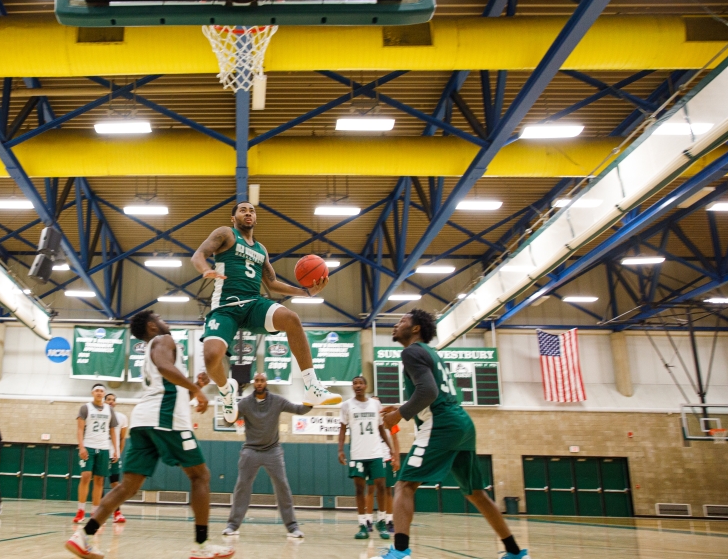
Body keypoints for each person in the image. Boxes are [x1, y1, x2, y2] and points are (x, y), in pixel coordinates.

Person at [65, 310, 233, 559]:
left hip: (144, 420)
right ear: (152, 326)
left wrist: (196, 387)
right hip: (164, 419)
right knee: (200, 476)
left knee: (128, 486)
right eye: (159, 318)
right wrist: (196, 390)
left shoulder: (152, 349)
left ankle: (84, 536)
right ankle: (201, 545)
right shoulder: (164, 340)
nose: (165, 321)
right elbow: (165, 369)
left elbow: (170, 387)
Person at [372, 310, 529, 559]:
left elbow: (428, 393)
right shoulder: (432, 353)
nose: (396, 324)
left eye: (402, 321)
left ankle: (400, 553)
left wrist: (399, 414)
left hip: (441, 424)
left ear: (416, 328)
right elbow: (435, 393)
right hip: (461, 423)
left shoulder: (411, 352)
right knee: (475, 492)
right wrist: (402, 406)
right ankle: (515, 553)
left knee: (404, 484)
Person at [191, 201, 340, 424]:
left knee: (291, 318)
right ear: (233, 218)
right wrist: (206, 270)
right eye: (243, 210)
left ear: (255, 218)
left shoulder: (260, 250)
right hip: (225, 307)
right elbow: (198, 255)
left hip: (253, 304)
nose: (248, 213)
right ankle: (226, 391)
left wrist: (306, 292)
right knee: (211, 356)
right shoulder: (226, 234)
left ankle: (312, 386)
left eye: (251, 210)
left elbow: (272, 283)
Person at [222, 372, 311, 539]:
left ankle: (292, 527)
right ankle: (232, 525)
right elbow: (228, 422)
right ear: (253, 383)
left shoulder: (277, 401)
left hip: (272, 450)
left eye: (262, 380)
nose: (259, 383)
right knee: (242, 486)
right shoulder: (245, 403)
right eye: (256, 380)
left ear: (266, 382)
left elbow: (299, 409)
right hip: (251, 450)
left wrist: (311, 401)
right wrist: (227, 406)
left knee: (282, 485)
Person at [338, 376, 397, 540]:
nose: (358, 385)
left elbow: (381, 428)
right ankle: (363, 525)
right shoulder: (346, 405)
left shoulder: (375, 404)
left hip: (375, 453)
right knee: (359, 489)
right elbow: (342, 429)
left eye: (361, 383)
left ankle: (382, 522)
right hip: (357, 454)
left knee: (381, 486)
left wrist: (391, 449)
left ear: (366, 386)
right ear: (352, 387)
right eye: (355, 383)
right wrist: (340, 449)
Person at [73, 384, 117, 523]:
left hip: (104, 447)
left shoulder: (109, 410)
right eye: (97, 390)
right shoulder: (85, 408)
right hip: (89, 446)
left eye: (101, 391)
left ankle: (95, 512)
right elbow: (80, 429)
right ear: (92, 393)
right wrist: (81, 447)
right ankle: (80, 511)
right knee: (86, 476)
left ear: (104, 394)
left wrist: (115, 450)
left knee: (99, 480)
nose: (99, 393)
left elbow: (112, 431)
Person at [105, 392, 129, 524]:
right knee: (98, 482)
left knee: (115, 484)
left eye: (113, 400)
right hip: (101, 452)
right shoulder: (100, 416)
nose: (111, 401)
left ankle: (117, 512)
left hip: (114, 455)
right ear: (104, 401)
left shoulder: (122, 417)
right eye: (108, 399)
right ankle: (97, 512)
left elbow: (122, 438)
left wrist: (118, 453)